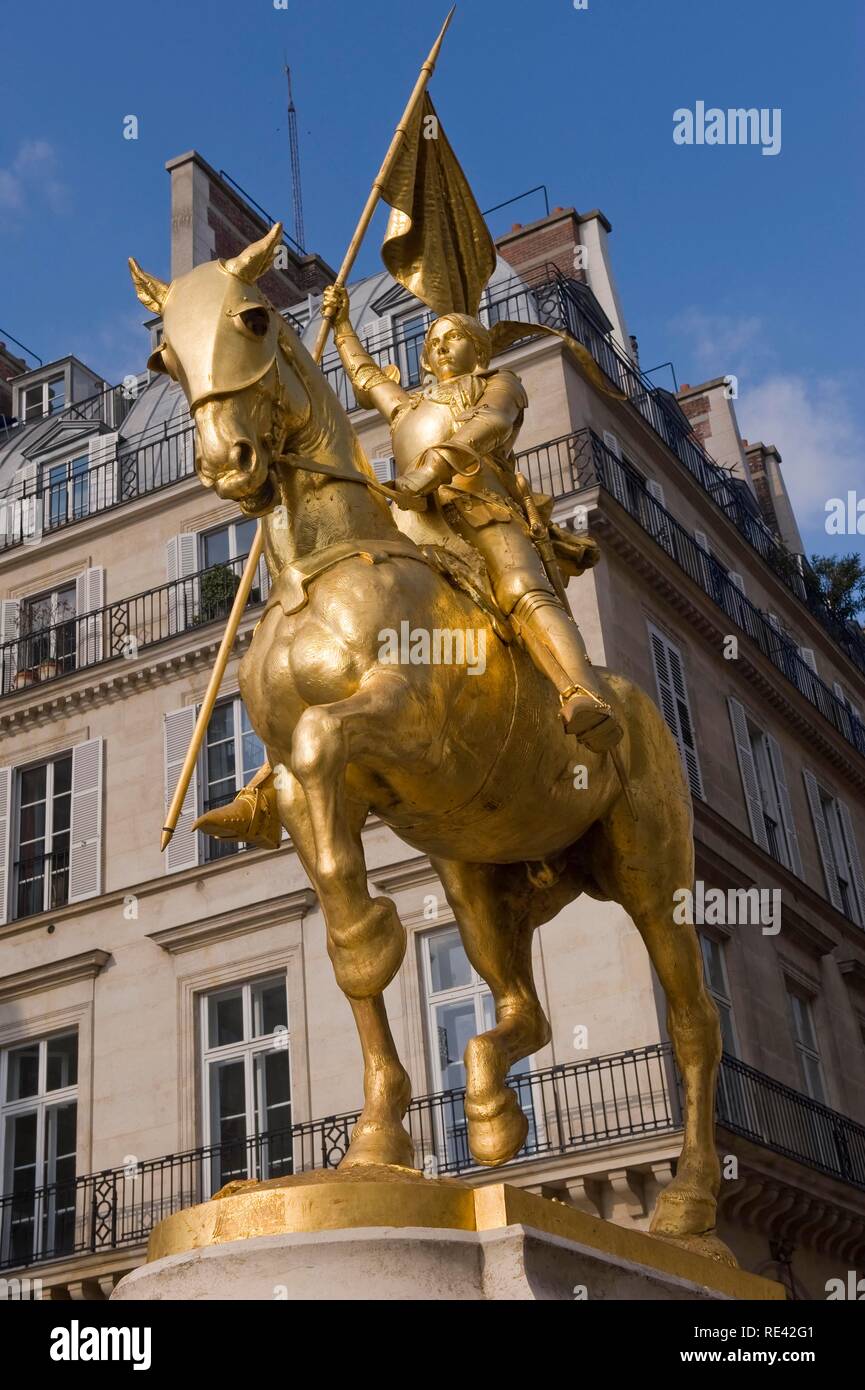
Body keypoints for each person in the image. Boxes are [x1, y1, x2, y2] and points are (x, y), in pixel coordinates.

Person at [196, 286, 621, 848]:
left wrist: (431, 472)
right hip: (413, 533)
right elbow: (368, 380)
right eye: (435, 341)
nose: (443, 348)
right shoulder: (411, 406)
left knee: (521, 588)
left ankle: (579, 692)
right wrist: (342, 326)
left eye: (456, 340)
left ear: (478, 350)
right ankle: (267, 790)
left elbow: (489, 425)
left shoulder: (497, 385)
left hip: (478, 516)